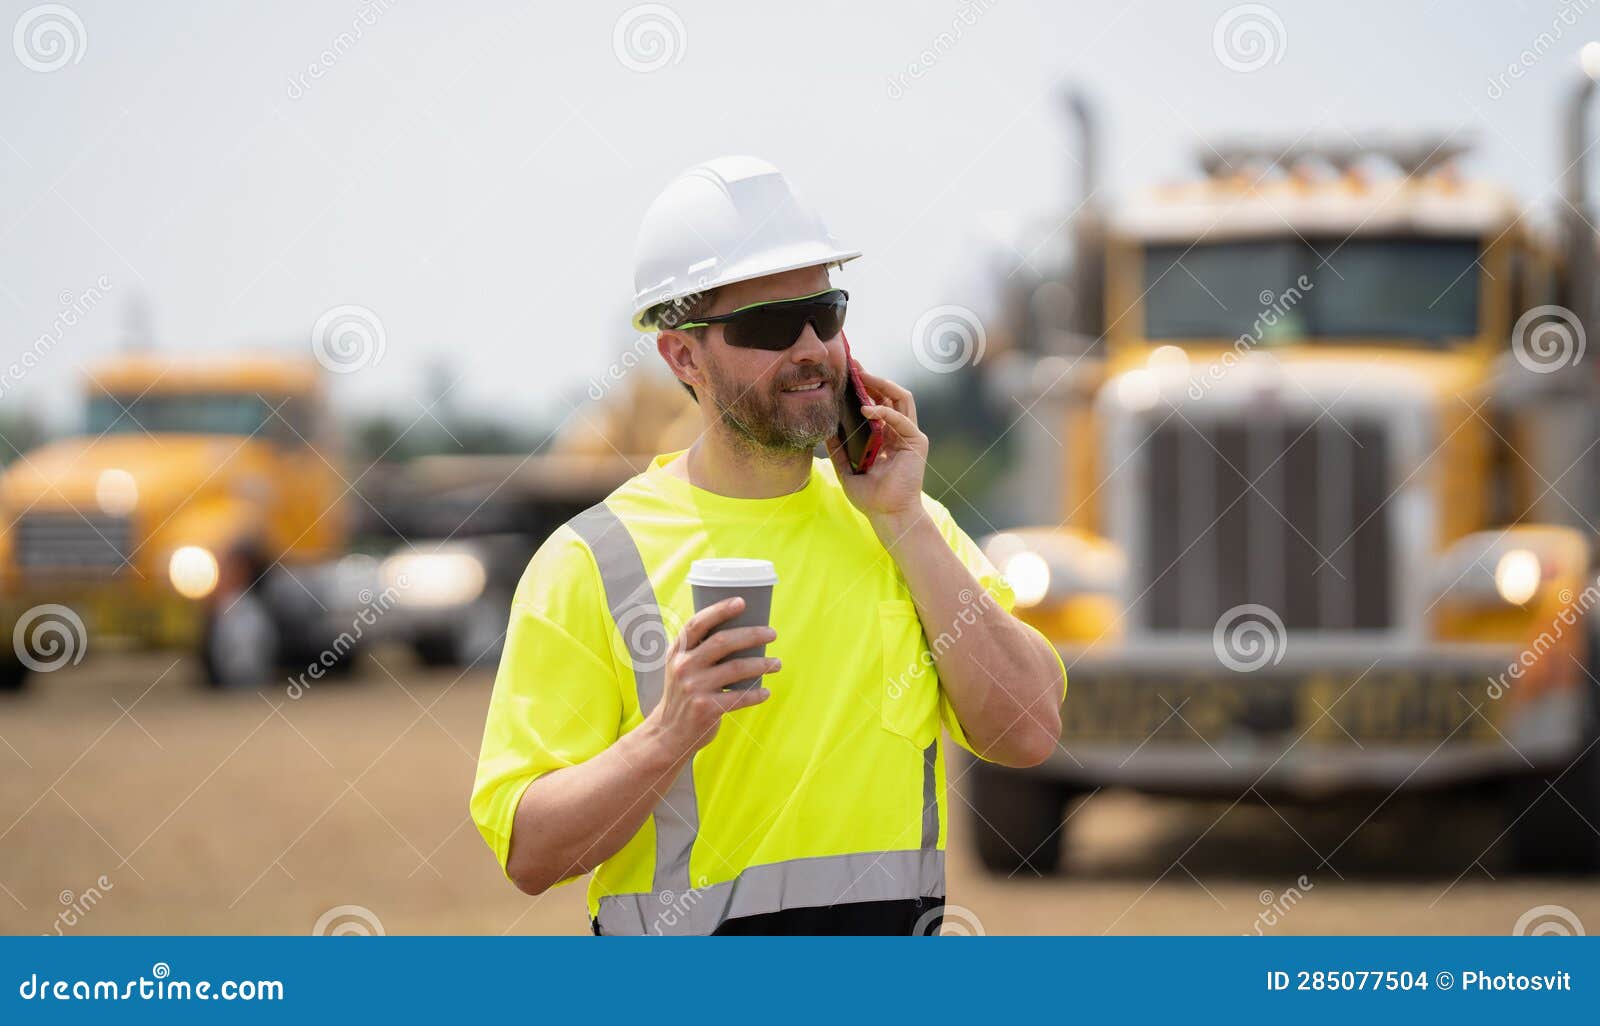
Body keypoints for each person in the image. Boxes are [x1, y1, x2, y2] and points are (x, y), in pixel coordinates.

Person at [471, 155, 1066, 935]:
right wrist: (666, 736)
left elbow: (1028, 732)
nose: (812, 346)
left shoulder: (908, 527)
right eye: (769, 326)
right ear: (683, 355)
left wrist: (904, 521)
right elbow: (530, 853)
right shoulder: (593, 561)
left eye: (826, 311)